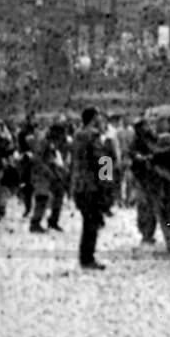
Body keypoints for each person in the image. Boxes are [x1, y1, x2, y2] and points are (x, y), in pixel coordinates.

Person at [72, 107, 116, 270]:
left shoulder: (78, 135)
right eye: (98, 117)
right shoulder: (94, 136)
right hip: (91, 185)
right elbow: (102, 161)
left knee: (88, 221)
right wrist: (108, 184)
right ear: (93, 119)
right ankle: (87, 258)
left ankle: (85, 257)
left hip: (79, 184)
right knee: (92, 223)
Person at [29, 124, 69, 233]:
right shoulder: (43, 142)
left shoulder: (52, 142)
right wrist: (48, 171)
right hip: (41, 174)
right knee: (42, 197)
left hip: (51, 172)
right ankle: (35, 223)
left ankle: (53, 221)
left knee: (59, 194)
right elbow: (37, 159)